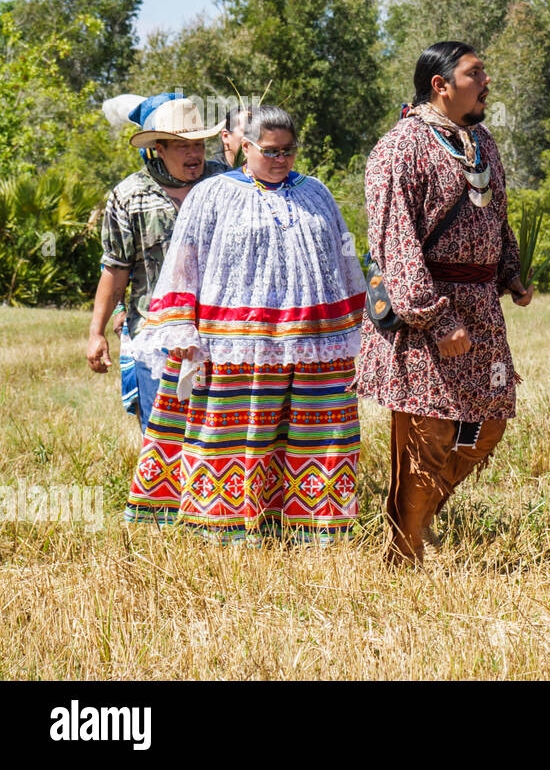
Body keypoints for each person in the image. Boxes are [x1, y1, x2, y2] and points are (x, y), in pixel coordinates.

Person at [123, 105, 367, 545]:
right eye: (272, 150)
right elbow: (184, 262)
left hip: (312, 346)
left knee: (312, 435)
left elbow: (344, 259)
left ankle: (311, 529)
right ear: (246, 146)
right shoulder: (212, 194)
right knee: (236, 432)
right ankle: (228, 528)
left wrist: (355, 327)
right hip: (232, 344)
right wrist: (180, 329)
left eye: (289, 151)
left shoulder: (317, 193)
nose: (282, 159)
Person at [355, 41, 534, 566]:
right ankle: (404, 551)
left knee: (490, 422)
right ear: (441, 84)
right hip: (428, 312)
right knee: (428, 433)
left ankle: (412, 523)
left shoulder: (483, 143)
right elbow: (395, 242)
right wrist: (436, 317)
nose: (487, 83)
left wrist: (511, 272)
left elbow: (497, 217)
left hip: (482, 309)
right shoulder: (400, 148)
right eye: (475, 73)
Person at [88, 93, 227, 430]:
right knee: (163, 433)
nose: (193, 153)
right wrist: (97, 332)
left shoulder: (224, 183)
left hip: (220, 330)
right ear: (159, 149)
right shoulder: (130, 195)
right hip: (156, 332)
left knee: (219, 437)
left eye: (198, 144)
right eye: (182, 146)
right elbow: (115, 269)